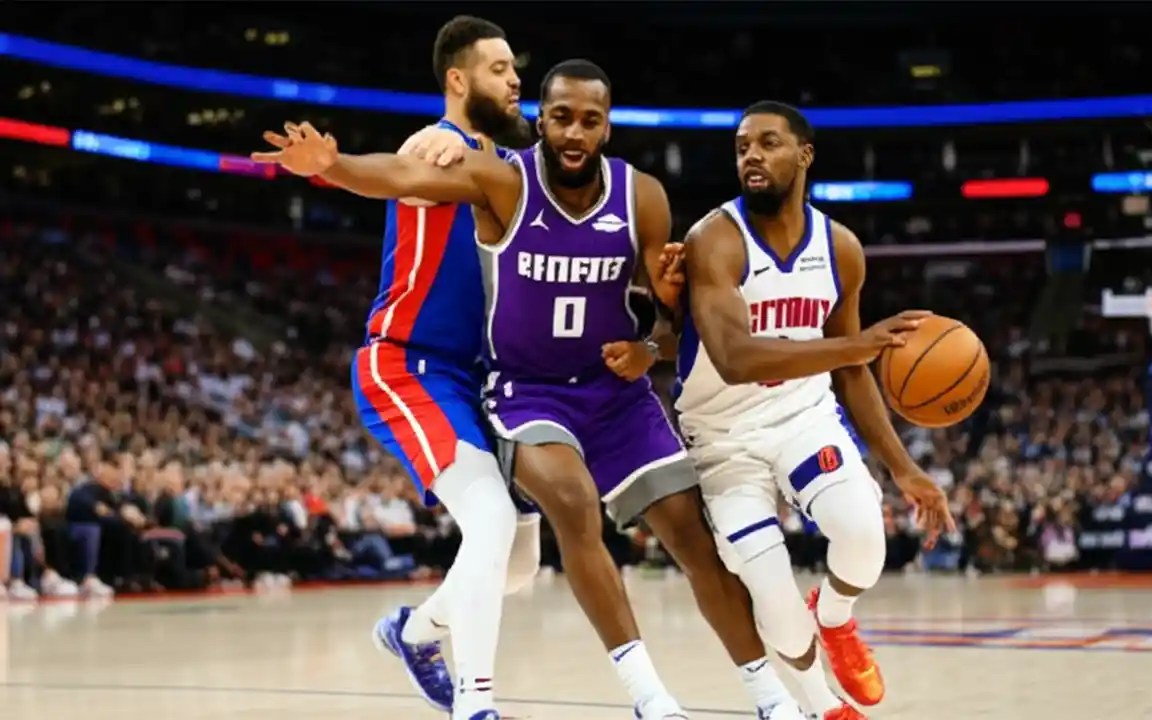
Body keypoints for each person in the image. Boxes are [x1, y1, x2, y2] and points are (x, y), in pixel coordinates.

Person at [253, 61, 807, 720]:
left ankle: (771, 697)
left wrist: (650, 346)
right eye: (562, 117)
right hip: (527, 393)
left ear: (607, 127)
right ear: (541, 121)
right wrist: (332, 165)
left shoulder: (643, 196)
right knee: (572, 505)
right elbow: (406, 177)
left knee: (692, 536)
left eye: (590, 120)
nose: (575, 132)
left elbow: (668, 310)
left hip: (615, 395)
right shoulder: (504, 181)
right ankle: (650, 698)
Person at [674, 101, 955, 719]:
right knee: (769, 590)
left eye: (768, 143)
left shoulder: (841, 248)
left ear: (804, 155)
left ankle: (833, 616)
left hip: (804, 416)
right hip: (722, 438)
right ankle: (824, 706)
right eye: (742, 146)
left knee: (865, 538)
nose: (752, 155)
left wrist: (904, 468)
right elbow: (735, 359)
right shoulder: (713, 239)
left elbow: (852, 372)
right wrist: (857, 345)